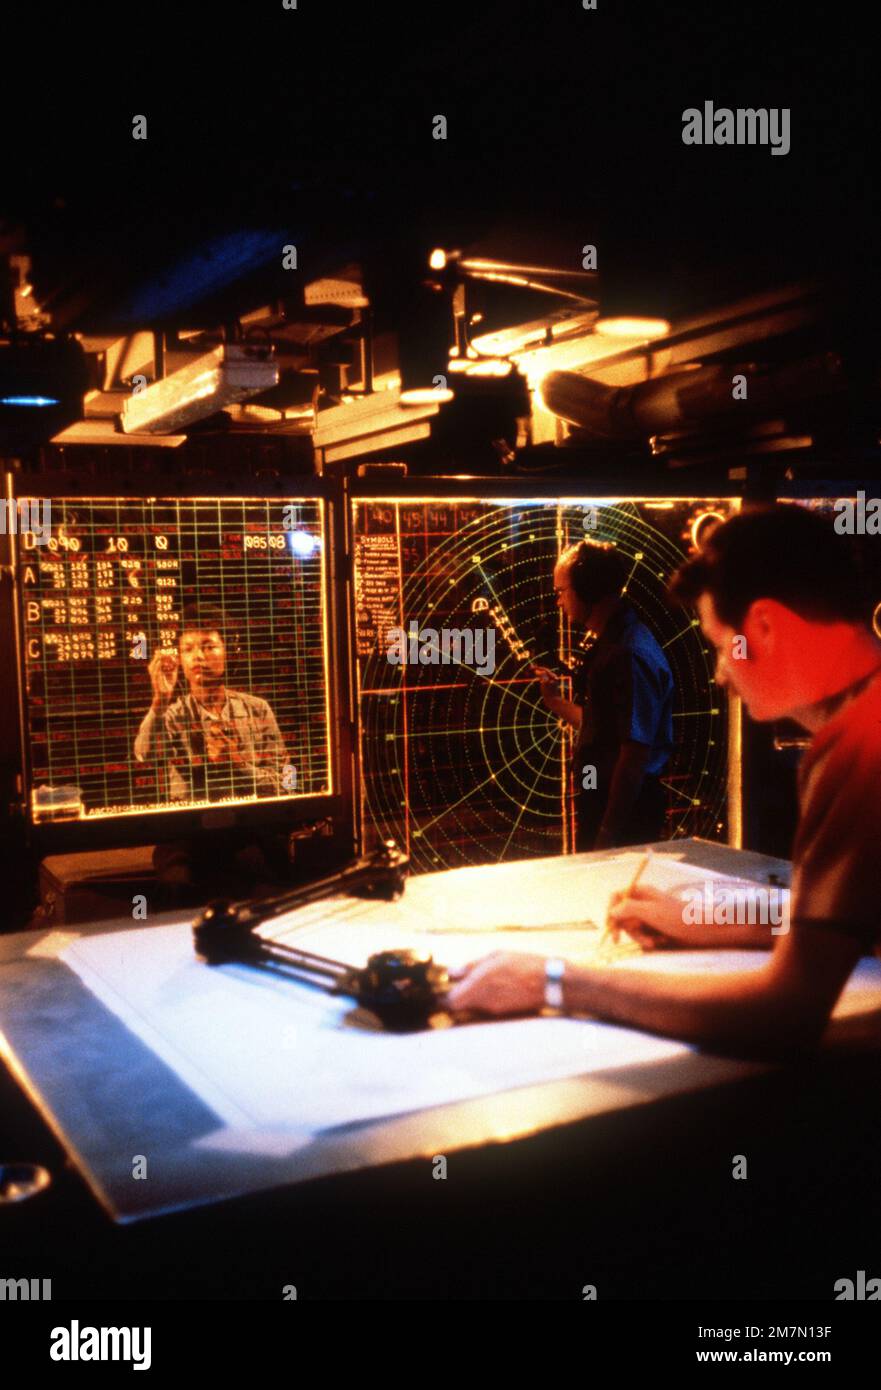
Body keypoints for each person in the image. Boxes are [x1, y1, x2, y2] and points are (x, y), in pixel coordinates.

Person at [448, 504, 881, 1058]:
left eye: (726, 645)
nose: (722, 672)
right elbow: (848, 918)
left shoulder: (859, 748)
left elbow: (785, 1011)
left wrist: (556, 980)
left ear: (767, 626)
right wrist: (704, 915)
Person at [532, 539, 673, 850]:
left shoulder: (628, 652)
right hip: (602, 799)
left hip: (623, 815)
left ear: (588, 588)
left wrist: (608, 834)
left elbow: (633, 755)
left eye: (561, 592)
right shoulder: (613, 643)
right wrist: (555, 702)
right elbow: (603, 727)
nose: (559, 602)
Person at [134, 604, 288, 802]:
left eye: (209, 647)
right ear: (179, 658)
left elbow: (287, 784)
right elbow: (143, 755)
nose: (198, 656)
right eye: (188, 649)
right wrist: (160, 702)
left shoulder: (258, 709)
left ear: (229, 651)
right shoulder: (171, 715)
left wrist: (237, 764)